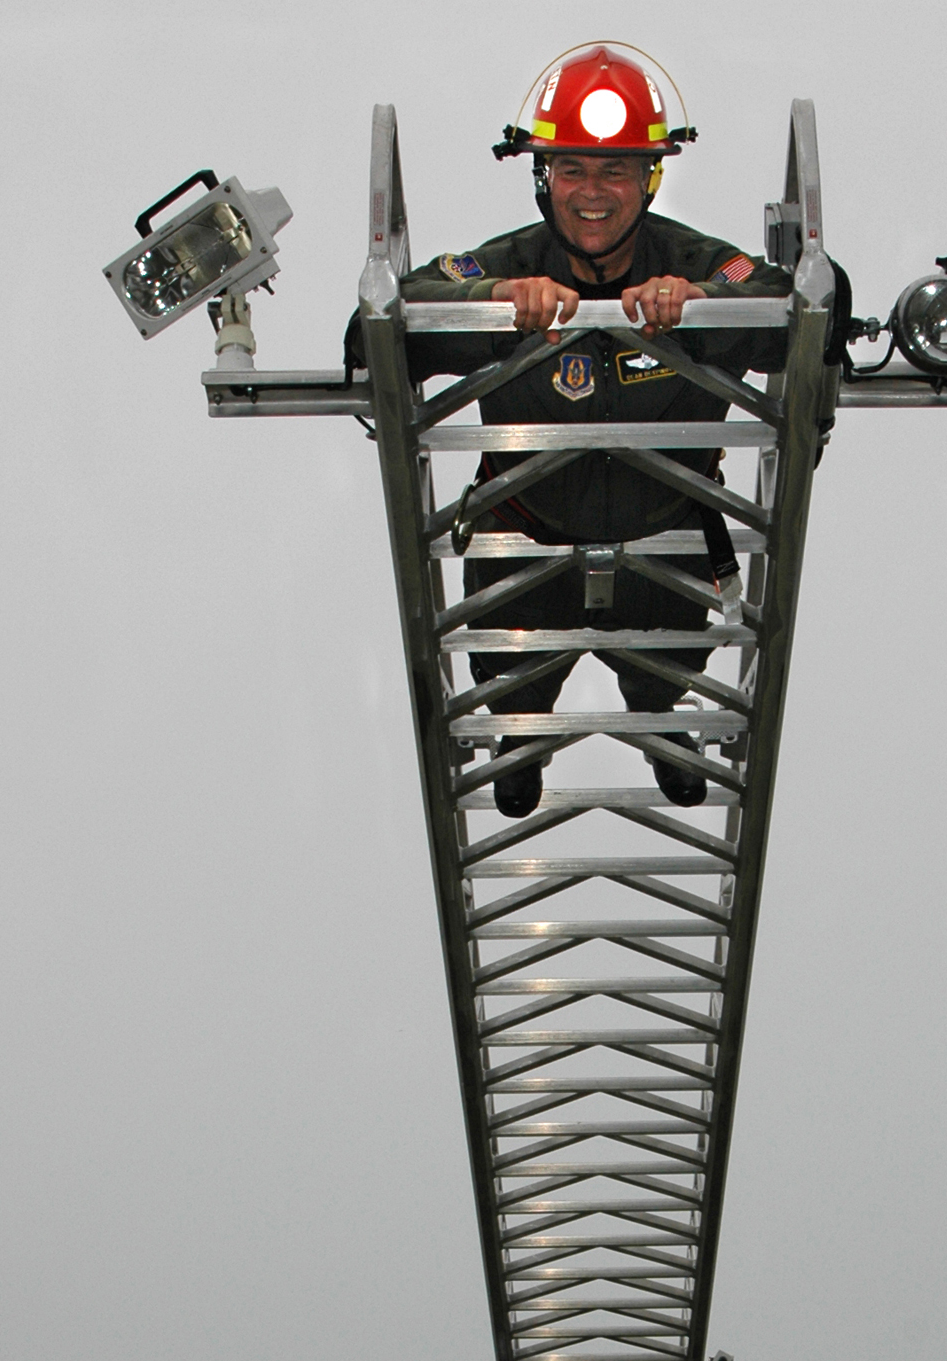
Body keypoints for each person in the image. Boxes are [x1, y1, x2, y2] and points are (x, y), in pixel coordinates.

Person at [356, 46, 796, 817]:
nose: (593, 194)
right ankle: (517, 735)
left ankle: (662, 723)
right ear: (542, 176)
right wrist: (495, 301)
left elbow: (790, 303)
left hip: (665, 535)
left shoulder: (692, 261)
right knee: (514, 681)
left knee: (665, 675)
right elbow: (384, 320)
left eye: (616, 171)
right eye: (572, 171)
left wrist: (696, 303)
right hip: (528, 539)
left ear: (650, 177)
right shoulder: (505, 264)